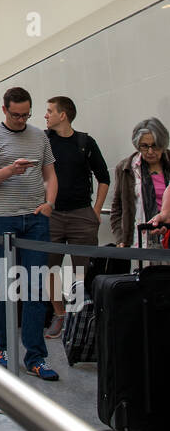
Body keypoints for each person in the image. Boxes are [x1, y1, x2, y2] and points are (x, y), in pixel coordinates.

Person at [0, 87, 59, 381]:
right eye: (16, 114)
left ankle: (35, 356)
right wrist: (10, 171)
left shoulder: (39, 136)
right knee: (7, 288)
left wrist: (49, 203)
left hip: (36, 219)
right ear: (4, 110)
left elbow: (50, 175)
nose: (22, 119)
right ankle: (5, 349)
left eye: (26, 114)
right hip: (4, 220)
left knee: (36, 288)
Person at [43, 97, 112, 337]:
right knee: (49, 269)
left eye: (50, 111)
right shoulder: (43, 141)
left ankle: (82, 317)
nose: (46, 115)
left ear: (63, 115)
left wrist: (96, 211)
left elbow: (104, 177)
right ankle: (60, 315)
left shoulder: (85, 142)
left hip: (81, 215)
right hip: (52, 215)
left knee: (83, 271)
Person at [110, 117, 170, 247]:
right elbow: (117, 208)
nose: (150, 151)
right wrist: (121, 238)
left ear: (163, 144)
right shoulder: (126, 168)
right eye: (144, 146)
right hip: (141, 239)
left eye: (155, 146)